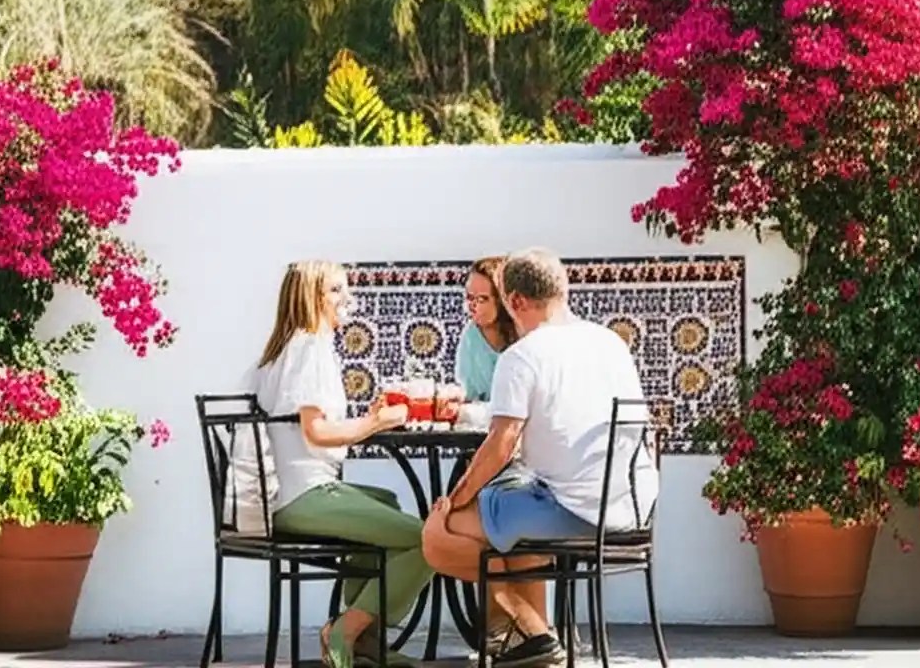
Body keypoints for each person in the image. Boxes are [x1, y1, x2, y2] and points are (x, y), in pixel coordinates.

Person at [422, 248, 659, 667]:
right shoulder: (610, 342)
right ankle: (529, 640)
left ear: (513, 301)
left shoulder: (523, 355)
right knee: (508, 526)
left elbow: (501, 443)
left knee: (438, 535)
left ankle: (534, 632)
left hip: (571, 511)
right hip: (631, 508)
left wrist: (455, 499)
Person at [253, 260, 432, 668]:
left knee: (385, 501)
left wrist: (367, 420)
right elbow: (316, 432)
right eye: (335, 290)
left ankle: (364, 642)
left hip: (285, 495)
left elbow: (303, 429)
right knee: (429, 541)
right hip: (305, 496)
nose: (345, 299)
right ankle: (346, 631)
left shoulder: (282, 352)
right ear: (311, 297)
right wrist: (376, 422)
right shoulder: (310, 348)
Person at [455, 256, 519, 402]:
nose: (472, 306)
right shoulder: (471, 337)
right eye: (470, 297)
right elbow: (468, 394)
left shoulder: (523, 334)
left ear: (502, 300)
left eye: (482, 299)